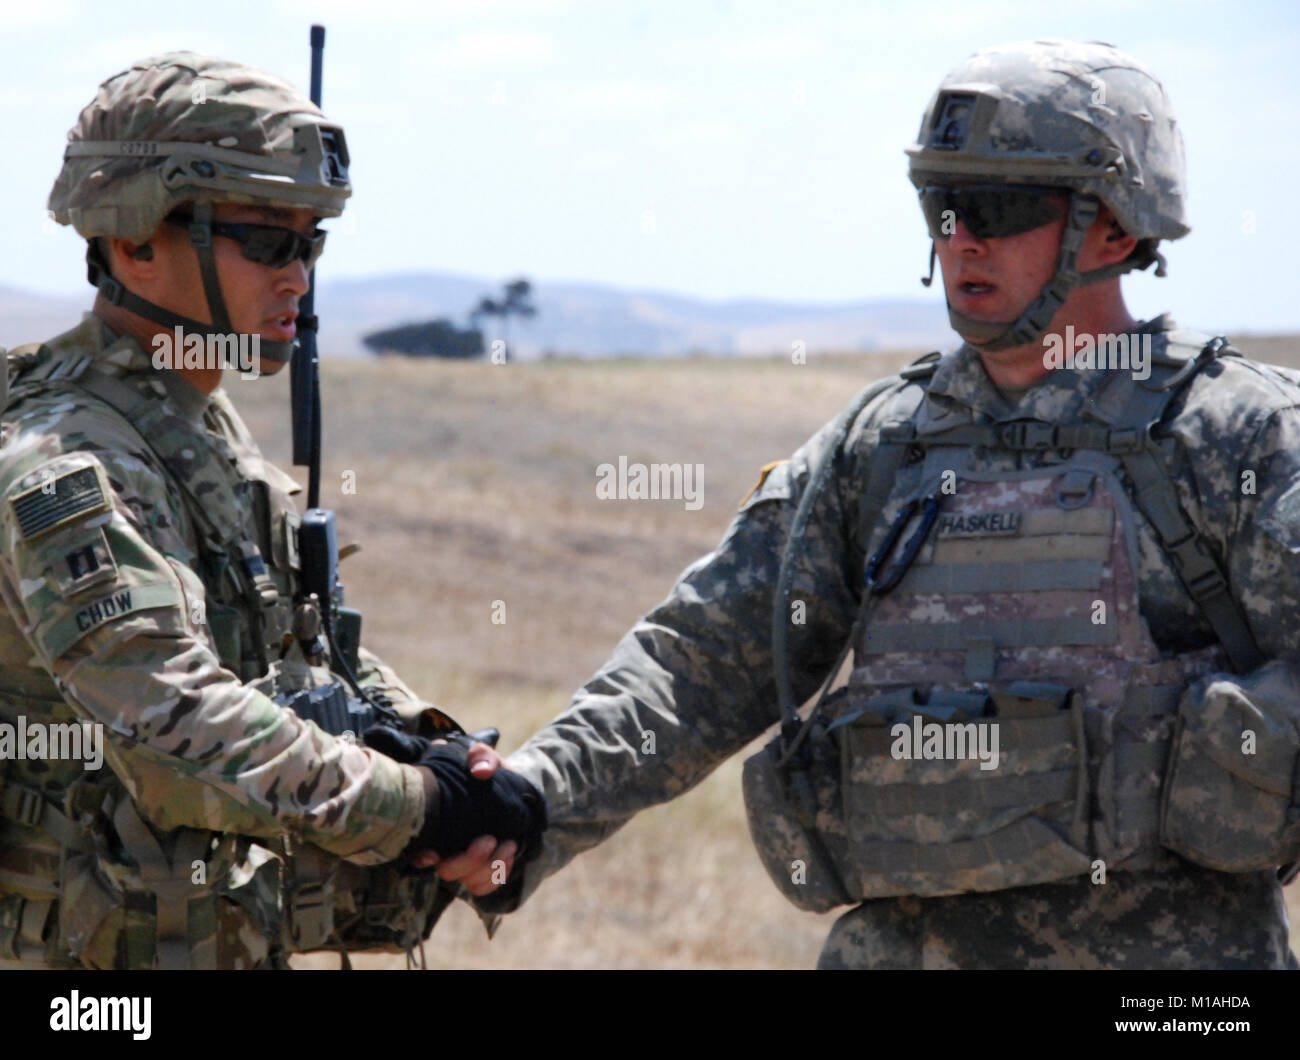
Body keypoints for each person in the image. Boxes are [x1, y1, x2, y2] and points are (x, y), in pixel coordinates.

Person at [442, 39, 1300, 968]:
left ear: (1116, 228)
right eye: (943, 203)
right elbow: (701, 662)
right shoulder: (880, 446)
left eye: (1001, 206)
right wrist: (530, 796)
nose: (960, 237)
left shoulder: (1235, 437)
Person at [0, 51, 543, 970]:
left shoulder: (192, 422)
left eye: (312, 242)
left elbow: (305, 646)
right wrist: (420, 806)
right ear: (136, 241)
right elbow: (169, 725)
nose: (299, 277)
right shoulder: (65, 457)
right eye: (268, 242)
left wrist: (448, 756)